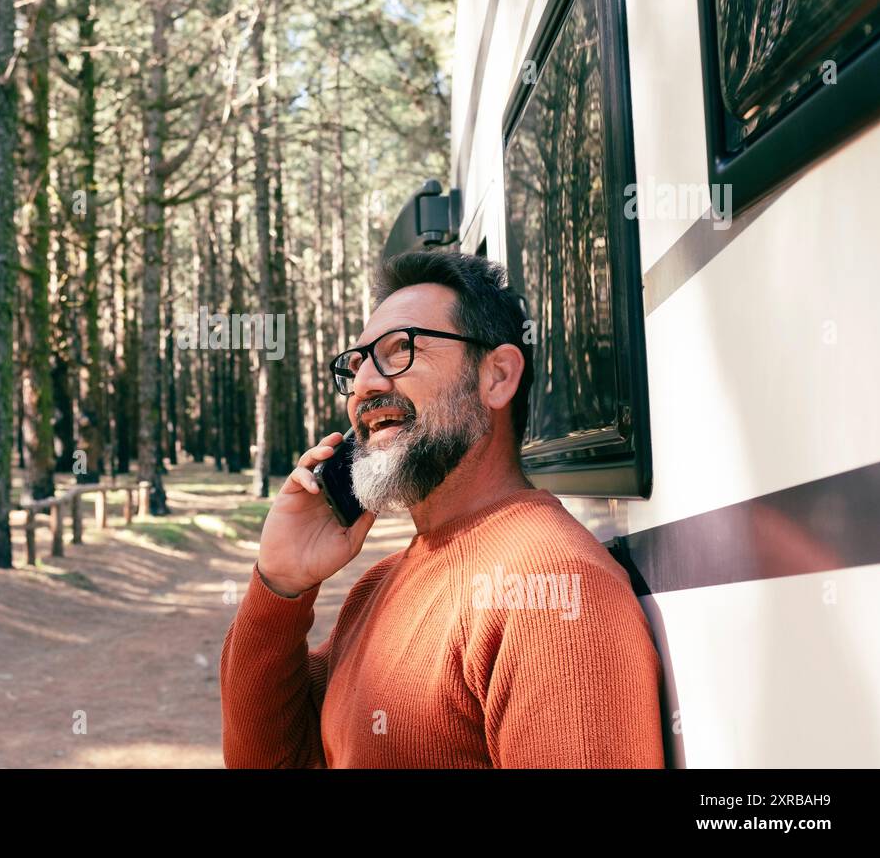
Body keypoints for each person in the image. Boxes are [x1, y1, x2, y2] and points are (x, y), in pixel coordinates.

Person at [220, 249, 666, 768]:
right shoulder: (379, 584)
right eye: (358, 362)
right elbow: (273, 761)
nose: (365, 384)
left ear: (497, 376)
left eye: (400, 351)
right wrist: (281, 584)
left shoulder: (554, 593)